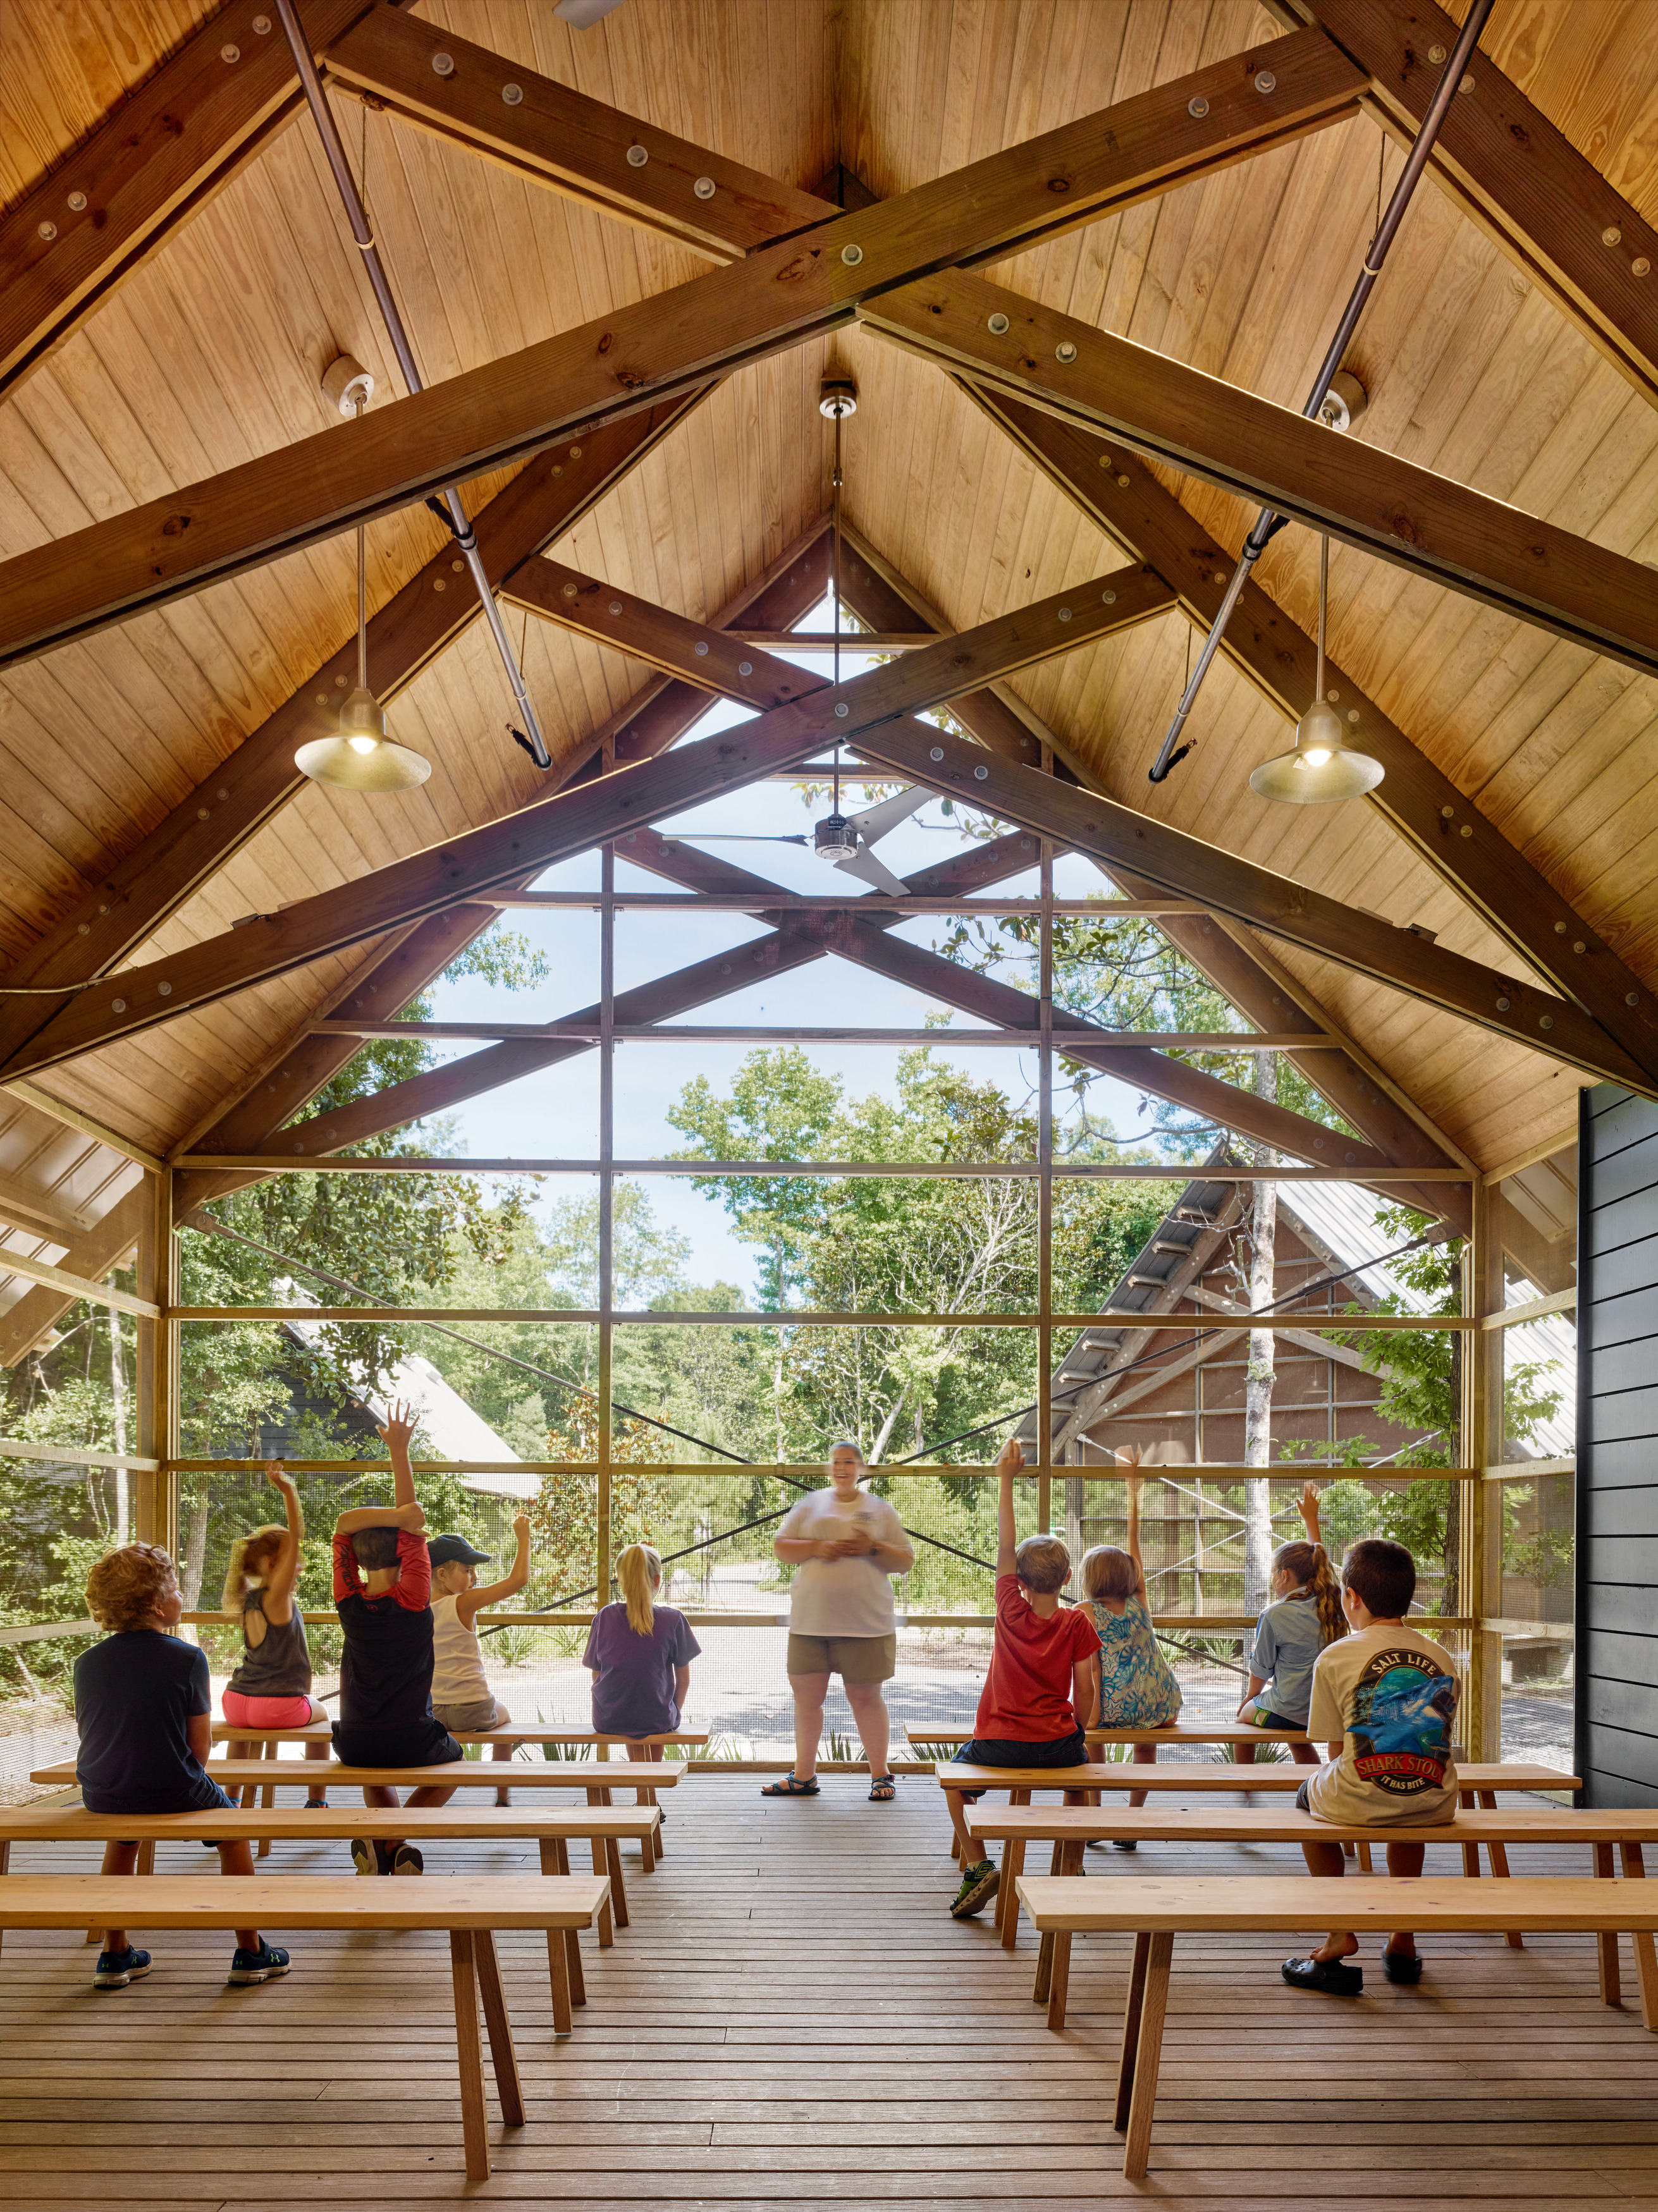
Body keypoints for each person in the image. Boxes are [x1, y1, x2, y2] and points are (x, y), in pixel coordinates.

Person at [74, 1541, 290, 1990]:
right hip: (172, 1783)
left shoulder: (87, 1663)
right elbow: (199, 1747)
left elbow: (92, 1731)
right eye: (174, 1588)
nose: (180, 1597)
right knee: (233, 1831)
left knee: (124, 1834)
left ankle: (115, 1954)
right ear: (156, 1604)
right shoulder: (188, 1657)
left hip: (103, 1788)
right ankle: (251, 1951)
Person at [1281, 1535, 1460, 1995]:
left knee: (1307, 1801)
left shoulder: (1336, 1656)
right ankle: (1402, 1938)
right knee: (1409, 1808)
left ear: (1352, 1598)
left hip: (1359, 1793)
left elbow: (1337, 1754)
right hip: (1436, 1798)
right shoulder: (1442, 1657)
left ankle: (1339, 1930)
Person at [950, 1439, 1101, 1920]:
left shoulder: (1010, 1608)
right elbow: (1087, 1689)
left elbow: (1003, 1544)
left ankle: (978, 1865)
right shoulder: (1078, 1621)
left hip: (998, 1741)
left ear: (1017, 1580)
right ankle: (1070, 1863)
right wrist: (1078, 1730)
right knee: (1077, 1781)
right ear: (1068, 1576)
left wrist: (1006, 1479)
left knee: (954, 1784)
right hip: (1058, 1743)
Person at [331, 1400, 460, 1874]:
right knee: (455, 1767)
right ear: (410, 1557)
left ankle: (384, 1849)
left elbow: (344, 1528)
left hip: (357, 1742)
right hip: (411, 1737)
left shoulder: (348, 1598)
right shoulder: (413, 1596)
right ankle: (392, 1836)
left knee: (373, 1767)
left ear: (357, 1562)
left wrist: (395, 1461)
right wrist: (400, 1453)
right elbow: (411, 1516)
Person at [763, 1440, 914, 1802]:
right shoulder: (810, 1504)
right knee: (807, 1699)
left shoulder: (880, 1510)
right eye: (836, 1462)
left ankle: (881, 1776)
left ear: (861, 1468)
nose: (842, 1467)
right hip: (809, 1624)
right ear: (829, 1468)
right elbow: (781, 1547)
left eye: (849, 1461)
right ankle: (804, 1777)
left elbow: (905, 1560)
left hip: (866, 1625)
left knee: (865, 1697)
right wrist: (817, 1547)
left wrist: (872, 1548)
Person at [1078, 1450, 1181, 1841]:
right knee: (1145, 1746)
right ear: (1130, 1576)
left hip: (1115, 1705)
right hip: (1159, 1702)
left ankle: (1096, 1814)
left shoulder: (1085, 1611)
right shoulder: (1140, 1600)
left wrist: (1091, 1719)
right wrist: (1133, 1490)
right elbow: (1134, 1545)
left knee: (1093, 1740)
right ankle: (1133, 1818)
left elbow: (1093, 1670)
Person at [221, 1460, 330, 1807]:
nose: (300, 1566)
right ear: (272, 1565)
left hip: (236, 1702)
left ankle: (232, 1799)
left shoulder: (248, 1599)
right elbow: (297, 1536)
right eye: (292, 1561)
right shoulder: (276, 1598)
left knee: (243, 1733)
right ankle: (317, 1801)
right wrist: (289, 1490)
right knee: (323, 1717)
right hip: (278, 1707)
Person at [584, 1543, 701, 1812]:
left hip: (609, 1717)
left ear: (620, 1579)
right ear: (657, 1579)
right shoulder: (673, 1619)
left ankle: (646, 1799)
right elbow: (683, 1680)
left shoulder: (604, 1617)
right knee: (651, 1718)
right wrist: (673, 1712)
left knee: (633, 1715)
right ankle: (647, 1798)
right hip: (657, 1717)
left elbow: (596, 1673)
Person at [1235, 1481, 1344, 1769]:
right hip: (1325, 1711)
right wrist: (1311, 1520)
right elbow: (1320, 1561)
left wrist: (1249, 1699)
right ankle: (1310, 1781)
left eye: (1274, 1574)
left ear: (1283, 1575)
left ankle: (1245, 1788)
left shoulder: (1274, 1615)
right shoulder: (1335, 1605)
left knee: (1242, 1722)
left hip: (1291, 1711)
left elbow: (1261, 1669)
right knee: (1297, 1736)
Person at [429, 1515, 532, 1806]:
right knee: (505, 1716)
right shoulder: (463, 1602)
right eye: (468, 1570)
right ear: (442, 1575)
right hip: (473, 1710)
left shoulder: (418, 1608)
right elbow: (518, 1581)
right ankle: (502, 1796)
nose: (473, 1578)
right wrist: (523, 1539)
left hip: (433, 1710)